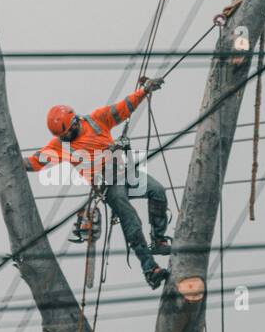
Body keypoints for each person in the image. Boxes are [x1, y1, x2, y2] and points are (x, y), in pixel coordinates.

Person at [24, 79, 171, 289]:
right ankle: (150, 269)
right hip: (108, 185)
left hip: (125, 173)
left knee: (158, 191)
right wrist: (10, 161)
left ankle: (158, 239)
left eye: (68, 131)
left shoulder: (96, 120)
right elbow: (36, 161)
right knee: (131, 221)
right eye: (63, 135)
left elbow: (124, 107)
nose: (67, 136)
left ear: (75, 121)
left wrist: (144, 91)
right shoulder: (60, 146)